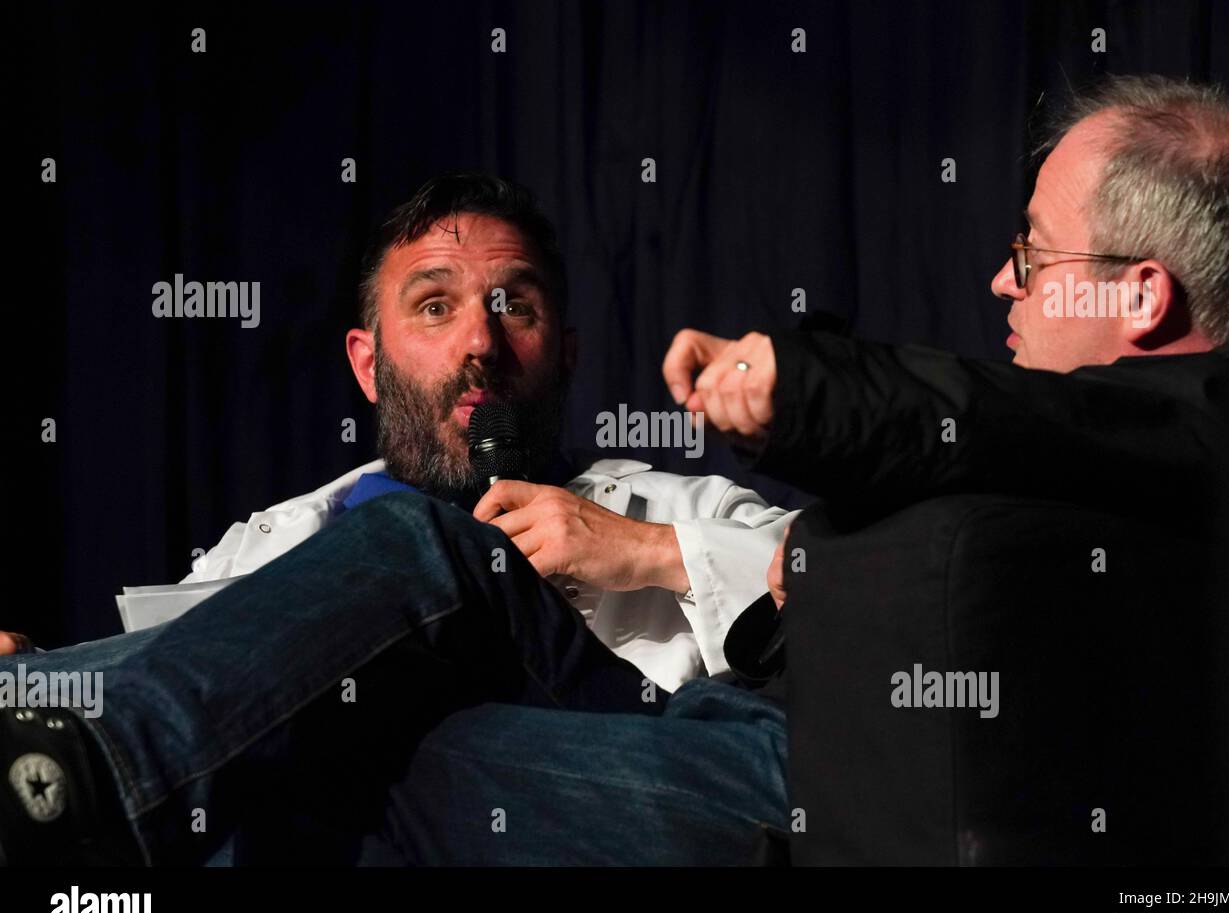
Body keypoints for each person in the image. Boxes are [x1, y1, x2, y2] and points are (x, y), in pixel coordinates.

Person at [0, 172, 796, 866]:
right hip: (370, 826)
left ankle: (72, 764)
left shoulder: (680, 507)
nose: (480, 341)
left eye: (513, 305)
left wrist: (650, 549)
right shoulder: (273, 539)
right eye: (435, 306)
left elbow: (848, 621)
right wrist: (45, 673)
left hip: (592, 783)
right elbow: (185, 685)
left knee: (409, 548)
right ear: (367, 363)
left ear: (568, 354)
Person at [664, 75, 1229, 863]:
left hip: (783, 770)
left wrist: (799, 388)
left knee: (465, 752)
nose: (1005, 280)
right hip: (736, 712)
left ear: (1141, 296)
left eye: (1032, 251)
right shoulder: (1081, 444)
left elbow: (1014, 416)